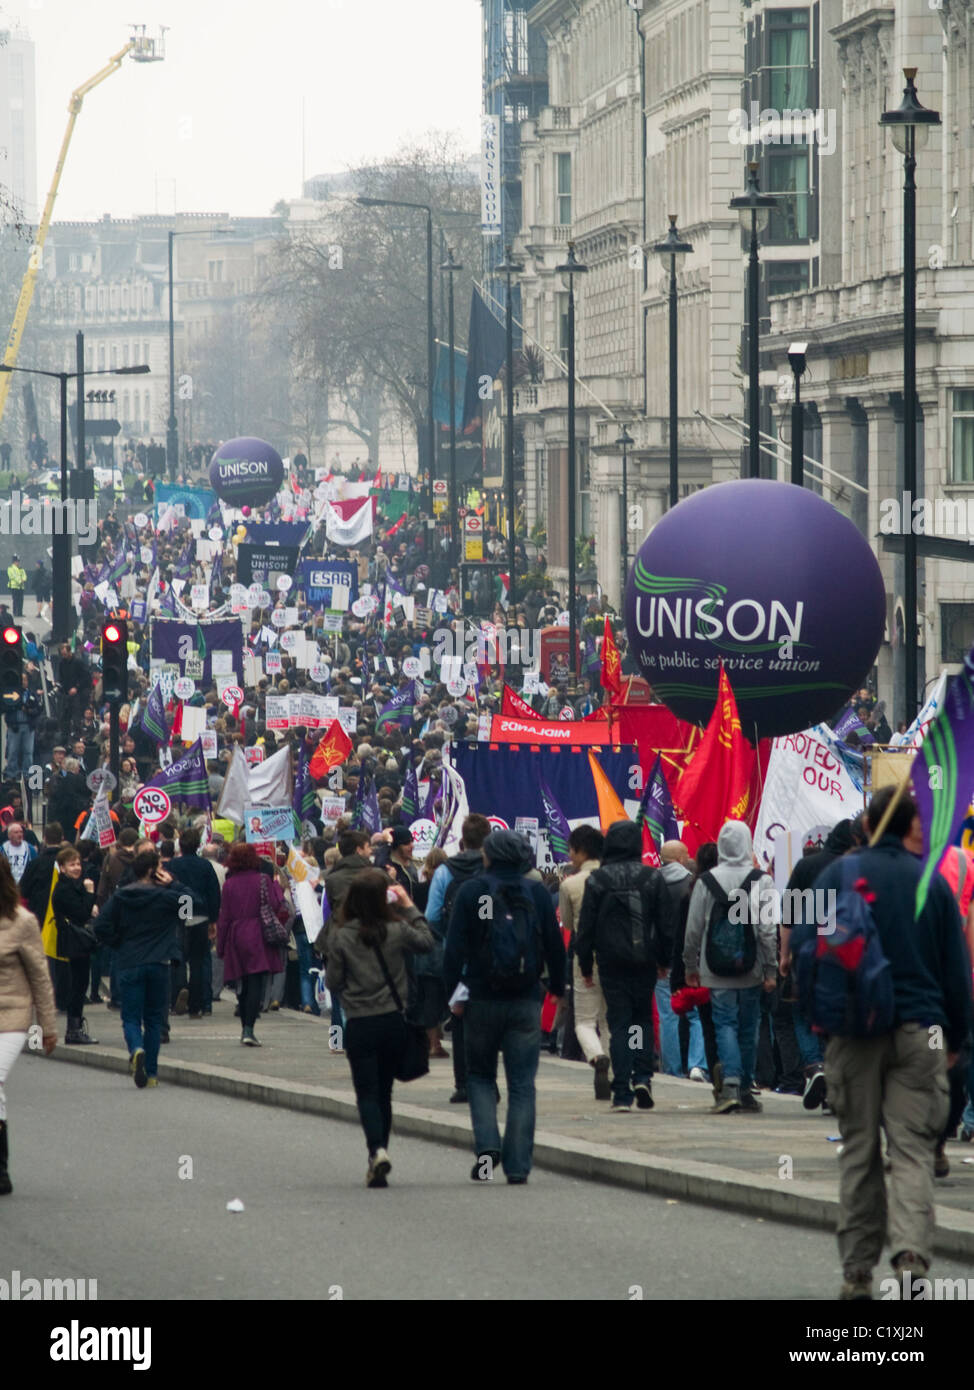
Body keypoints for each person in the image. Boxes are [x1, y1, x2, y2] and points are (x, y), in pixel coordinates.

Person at [798, 786, 973, 1301]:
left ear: (868, 825)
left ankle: (856, 1273)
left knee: (858, 1151)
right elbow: (956, 971)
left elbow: (808, 950)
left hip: (853, 1032)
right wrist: (956, 1038)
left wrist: (819, 1023)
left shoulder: (836, 875)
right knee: (913, 1149)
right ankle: (912, 1260)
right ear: (911, 828)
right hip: (921, 1031)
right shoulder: (931, 883)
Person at [444, 829, 567, 1184]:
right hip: (526, 998)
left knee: (480, 1076)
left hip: (481, 997)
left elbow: (453, 951)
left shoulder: (472, 890)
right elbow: (555, 947)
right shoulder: (538, 893)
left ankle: (487, 1149)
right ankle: (518, 1167)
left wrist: (454, 996)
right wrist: (556, 987)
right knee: (522, 1084)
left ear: (489, 856)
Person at [325, 869, 433, 1187]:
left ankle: (377, 1151)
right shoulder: (397, 929)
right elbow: (428, 941)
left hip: (360, 1022)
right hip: (393, 1021)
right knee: (385, 1092)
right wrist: (409, 906)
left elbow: (332, 981)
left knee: (366, 1093)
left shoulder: (342, 936)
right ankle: (380, 1152)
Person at [575, 821, 675, 1113]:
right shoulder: (652, 878)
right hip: (644, 960)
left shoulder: (598, 880)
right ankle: (643, 1077)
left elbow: (586, 928)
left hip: (610, 961)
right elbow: (666, 926)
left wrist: (584, 963)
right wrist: (664, 960)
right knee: (641, 1019)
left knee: (619, 1023)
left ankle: (621, 1091)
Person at [684, 821, 778, 1114]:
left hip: (715, 967)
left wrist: (690, 964)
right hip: (751, 967)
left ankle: (731, 1086)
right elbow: (766, 929)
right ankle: (747, 1089)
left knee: (724, 1023)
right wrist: (771, 969)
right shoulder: (762, 880)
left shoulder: (706, 881)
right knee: (750, 1027)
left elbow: (694, 928)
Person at [96, 848, 186, 1089]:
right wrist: (175, 885)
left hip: (129, 961)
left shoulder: (121, 896)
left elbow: (101, 925)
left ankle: (136, 1049)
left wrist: (118, 943)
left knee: (131, 1017)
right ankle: (152, 1073)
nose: (163, 871)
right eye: (159, 867)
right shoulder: (166, 897)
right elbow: (188, 909)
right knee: (155, 1019)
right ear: (151, 871)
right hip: (159, 962)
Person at [425, 812, 492, 1103]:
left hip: (457, 960)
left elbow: (430, 916)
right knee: (490, 1022)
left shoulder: (444, 871)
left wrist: (449, 939)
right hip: (490, 960)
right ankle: (488, 1081)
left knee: (461, 1021)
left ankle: (463, 1083)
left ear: (462, 841)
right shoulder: (494, 870)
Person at [0, 856, 58, 1194]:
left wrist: (47, 1026)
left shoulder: (22, 922)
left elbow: (40, 977)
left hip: (11, 1015)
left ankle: (1, 1171)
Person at [216, 841, 287, 1047]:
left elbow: (225, 917)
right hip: (258, 933)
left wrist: (221, 945)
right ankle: (249, 1029)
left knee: (242, 980)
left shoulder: (229, 884)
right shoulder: (263, 880)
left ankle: (244, 1022)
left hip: (236, 934)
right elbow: (276, 905)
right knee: (256, 980)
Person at [557, 824, 608, 1099]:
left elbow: (566, 922)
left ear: (578, 851)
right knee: (609, 1020)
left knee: (584, 1022)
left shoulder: (570, 884)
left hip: (583, 958)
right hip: (615, 957)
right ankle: (612, 1075)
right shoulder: (614, 878)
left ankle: (596, 1056)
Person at [659, 839, 709, 1082]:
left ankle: (670, 1067)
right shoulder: (691, 883)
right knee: (697, 1014)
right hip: (688, 956)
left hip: (659, 958)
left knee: (665, 1014)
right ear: (680, 858)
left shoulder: (652, 882)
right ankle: (697, 1064)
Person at [168, 827, 222, 1019]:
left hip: (181, 912)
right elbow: (214, 893)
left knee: (178, 957)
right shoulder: (205, 865)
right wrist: (213, 919)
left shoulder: (173, 865)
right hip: (200, 913)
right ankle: (197, 1005)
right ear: (198, 845)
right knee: (199, 960)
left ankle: (178, 994)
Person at [51, 846, 99, 1045]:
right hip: (73, 940)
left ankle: (76, 1026)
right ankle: (73, 1029)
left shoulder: (73, 885)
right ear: (62, 868)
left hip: (78, 940)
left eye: (78, 863)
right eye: (71, 864)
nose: (77, 867)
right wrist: (90, 894)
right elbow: (80, 913)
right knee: (78, 985)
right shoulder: (63, 889)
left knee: (81, 983)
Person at [3, 675, 40, 781]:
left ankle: (27, 774)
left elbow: (37, 709)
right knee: (13, 751)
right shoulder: (11, 694)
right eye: (22, 680)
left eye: (25, 680)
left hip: (28, 726)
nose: (24, 682)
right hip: (15, 726)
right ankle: (11, 773)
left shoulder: (31, 694)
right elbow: (6, 709)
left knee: (28, 751)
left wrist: (29, 710)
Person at [0, 821, 36, 886]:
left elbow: (35, 868)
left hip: (25, 887)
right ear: (9, 835)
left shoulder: (30, 850)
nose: (20, 834)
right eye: (16, 832)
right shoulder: (2, 850)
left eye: (21, 832)